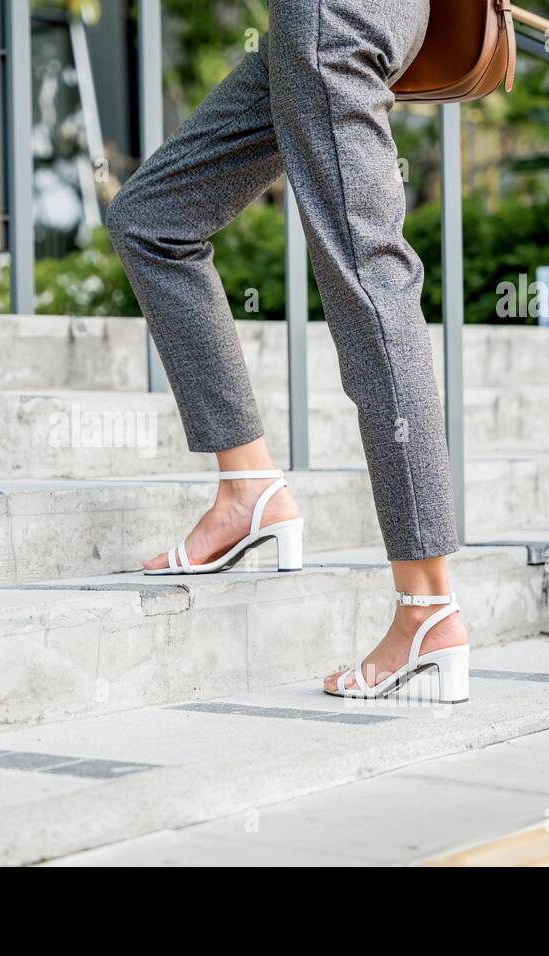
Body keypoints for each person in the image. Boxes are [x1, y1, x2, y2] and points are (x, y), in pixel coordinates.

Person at [106, 0, 468, 703]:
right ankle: (250, 490)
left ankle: (427, 608)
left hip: (334, 14)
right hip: (311, 23)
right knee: (152, 219)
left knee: (370, 282)